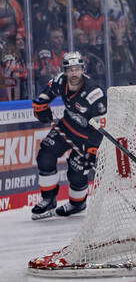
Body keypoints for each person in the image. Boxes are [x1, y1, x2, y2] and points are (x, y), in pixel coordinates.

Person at [30, 52, 107, 219]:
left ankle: (77, 203)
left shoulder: (94, 94)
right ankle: (48, 200)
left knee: (76, 169)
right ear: (64, 71)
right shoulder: (60, 81)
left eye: (77, 69)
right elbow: (45, 94)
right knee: (45, 156)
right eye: (70, 69)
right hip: (66, 127)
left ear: (83, 70)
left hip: (88, 137)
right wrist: (41, 105)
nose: (74, 73)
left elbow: (103, 126)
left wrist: (93, 150)